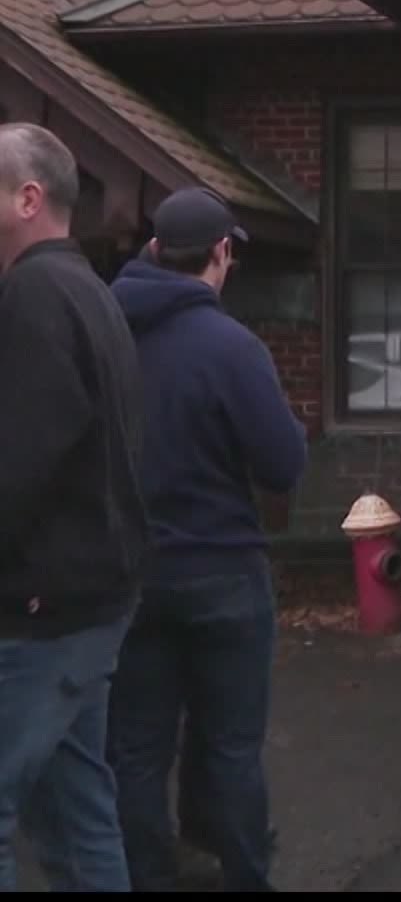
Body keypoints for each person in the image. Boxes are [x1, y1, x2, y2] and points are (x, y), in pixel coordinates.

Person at [105, 187, 308, 892]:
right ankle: (245, 876)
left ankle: (145, 878)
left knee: (133, 750)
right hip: (223, 571)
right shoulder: (232, 348)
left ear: (155, 249)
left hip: (129, 573)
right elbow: (282, 464)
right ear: (221, 254)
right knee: (230, 747)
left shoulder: (102, 333)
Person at [0, 122, 149, 892]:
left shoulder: (32, 297)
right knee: (75, 809)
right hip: (93, 597)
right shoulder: (88, 291)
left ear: (28, 199)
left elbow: (20, 460)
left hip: (43, 610)